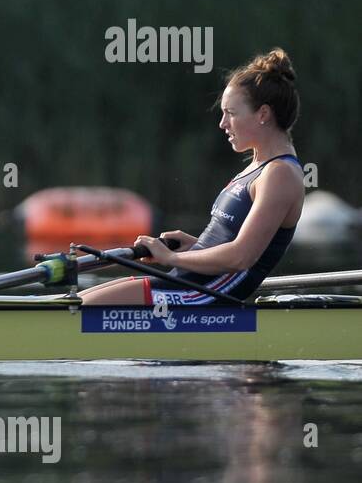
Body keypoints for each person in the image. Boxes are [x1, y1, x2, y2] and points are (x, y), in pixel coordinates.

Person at [80, 49, 304, 306]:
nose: (222, 123)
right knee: (74, 302)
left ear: (263, 114)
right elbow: (235, 244)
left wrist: (170, 258)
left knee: (80, 308)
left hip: (205, 296)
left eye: (230, 113)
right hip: (187, 285)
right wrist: (196, 247)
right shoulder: (258, 167)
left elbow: (241, 257)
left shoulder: (280, 174)